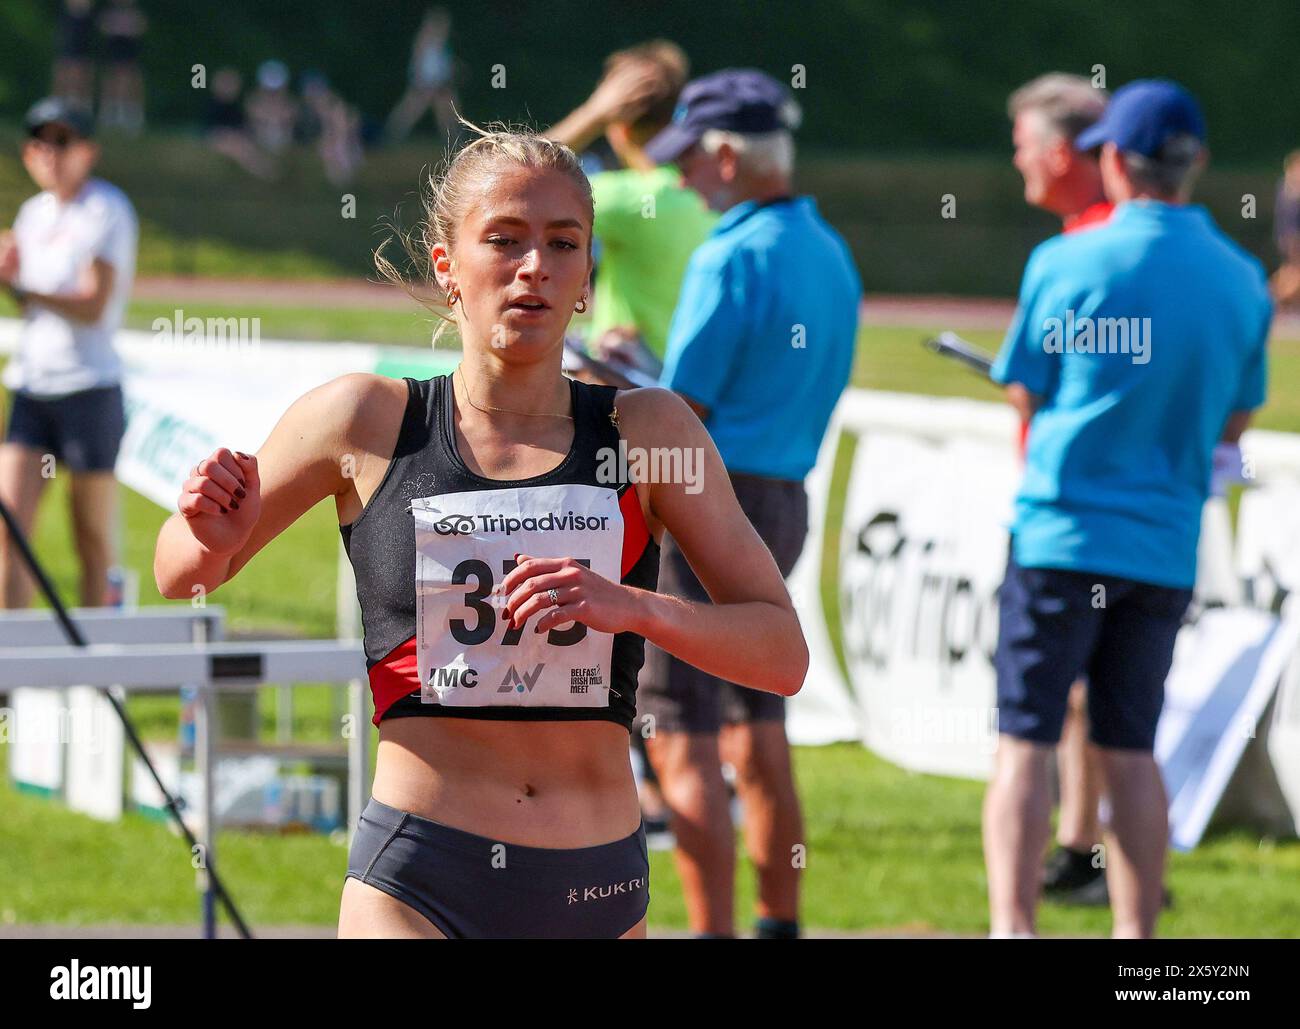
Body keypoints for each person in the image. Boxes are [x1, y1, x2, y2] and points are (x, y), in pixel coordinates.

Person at [152, 124, 809, 940]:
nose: (534, 265)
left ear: (586, 276)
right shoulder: (362, 419)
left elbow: (782, 654)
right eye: (504, 239)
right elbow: (183, 574)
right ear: (448, 268)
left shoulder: (650, 432)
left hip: (592, 887)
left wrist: (633, 608)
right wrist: (212, 531)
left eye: (562, 243)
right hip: (418, 875)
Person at [984, 80, 1271, 939]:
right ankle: (1137, 940)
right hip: (1164, 542)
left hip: (1062, 530)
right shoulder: (1242, 277)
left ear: (1112, 159)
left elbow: (1026, 392)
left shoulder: (1069, 259)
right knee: (1131, 746)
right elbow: (1235, 414)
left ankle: (1012, 925)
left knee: (1026, 739)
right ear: (1198, 165)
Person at [637, 69, 862, 939]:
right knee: (757, 716)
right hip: (784, 495)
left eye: (689, 158)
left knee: (678, 727)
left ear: (727, 156)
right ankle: (778, 921)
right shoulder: (829, 250)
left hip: (711, 504)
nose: (681, 177)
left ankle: (712, 931)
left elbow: (678, 411)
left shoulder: (728, 255)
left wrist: (618, 382)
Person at [1006, 72, 1111, 904]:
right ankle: (1083, 847)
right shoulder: (1095, 233)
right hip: (1135, 518)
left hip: (1072, 519)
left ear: (1061, 149)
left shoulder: (1085, 248)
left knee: (1042, 717)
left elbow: (1031, 387)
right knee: (1089, 702)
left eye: (1022, 147)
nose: (1018, 167)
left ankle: (1068, 864)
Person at [0, 98, 137, 611]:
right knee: (10, 529)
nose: (50, 154)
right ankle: (10, 669)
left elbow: (93, 303)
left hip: (89, 389)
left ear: (89, 151)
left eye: (62, 141)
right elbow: (32, 300)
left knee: (92, 539)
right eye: (39, 142)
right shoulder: (32, 213)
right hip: (32, 387)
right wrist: (11, 281)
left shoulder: (107, 209)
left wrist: (24, 286)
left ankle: (95, 672)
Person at [547, 42, 716, 377]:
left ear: (619, 126)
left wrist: (592, 114)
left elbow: (514, 184)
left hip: (628, 390)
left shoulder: (626, 199)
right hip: (686, 387)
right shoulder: (710, 194)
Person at [385, 7, 461, 143]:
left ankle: (453, 139)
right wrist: (422, 81)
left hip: (436, 83)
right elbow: (419, 63)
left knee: (447, 110)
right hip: (425, 83)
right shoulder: (424, 39)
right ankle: (390, 136)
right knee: (409, 111)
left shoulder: (440, 42)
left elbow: (441, 65)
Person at [1270, 150, 1300, 307]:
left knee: (1290, 272)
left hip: (1288, 237)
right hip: (1291, 239)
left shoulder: (1287, 187)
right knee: (1293, 273)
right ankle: (1269, 299)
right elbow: (1289, 222)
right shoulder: (1290, 191)